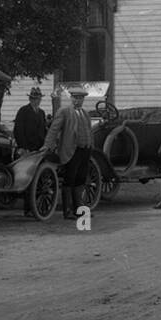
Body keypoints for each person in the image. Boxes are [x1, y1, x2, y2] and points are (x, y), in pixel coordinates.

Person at [43, 86, 94, 220]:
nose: (78, 100)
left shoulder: (85, 113)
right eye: (76, 98)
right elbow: (54, 129)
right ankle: (68, 211)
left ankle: (80, 210)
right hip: (71, 150)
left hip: (85, 150)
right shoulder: (64, 111)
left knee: (81, 179)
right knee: (69, 180)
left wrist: (90, 146)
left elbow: (88, 130)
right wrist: (47, 145)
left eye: (81, 98)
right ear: (71, 98)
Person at [14, 87, 47, 155]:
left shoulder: (42, 113)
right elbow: (18, 130)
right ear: (30, 99)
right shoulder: (23, 111)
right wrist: (23, 147)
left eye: (39, 99)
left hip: (39, 149)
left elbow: (43, 130)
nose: (37, 101)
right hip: (27, 149)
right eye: (34, 99)